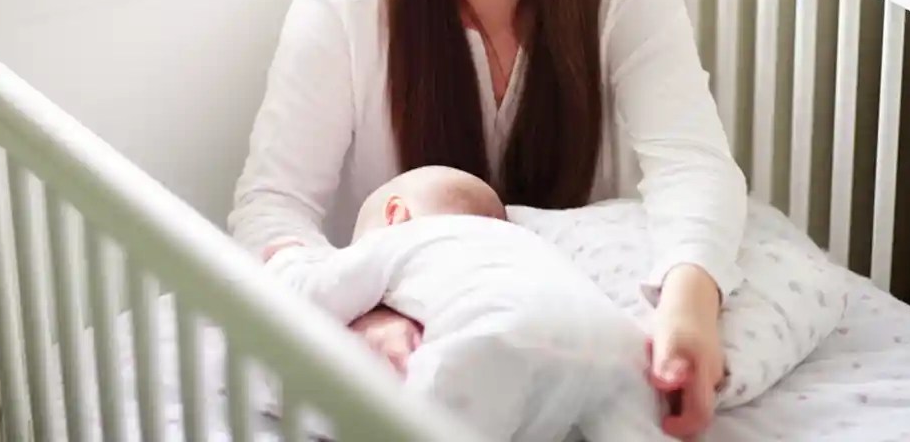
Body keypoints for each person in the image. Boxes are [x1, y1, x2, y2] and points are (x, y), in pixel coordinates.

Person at [229, 0, 747, 437]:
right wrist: (369, 313)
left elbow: (692, 166)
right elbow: (271, 207)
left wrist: (689, 304)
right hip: (429, 336)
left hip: (570, 333)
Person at [263, 166, 671, 442]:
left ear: (395, 213)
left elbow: (314, 295)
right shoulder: (528, 246)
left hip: (500, 329)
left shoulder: (398, 238)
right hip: (614, 338)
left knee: (421, 419)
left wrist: (287, 258)